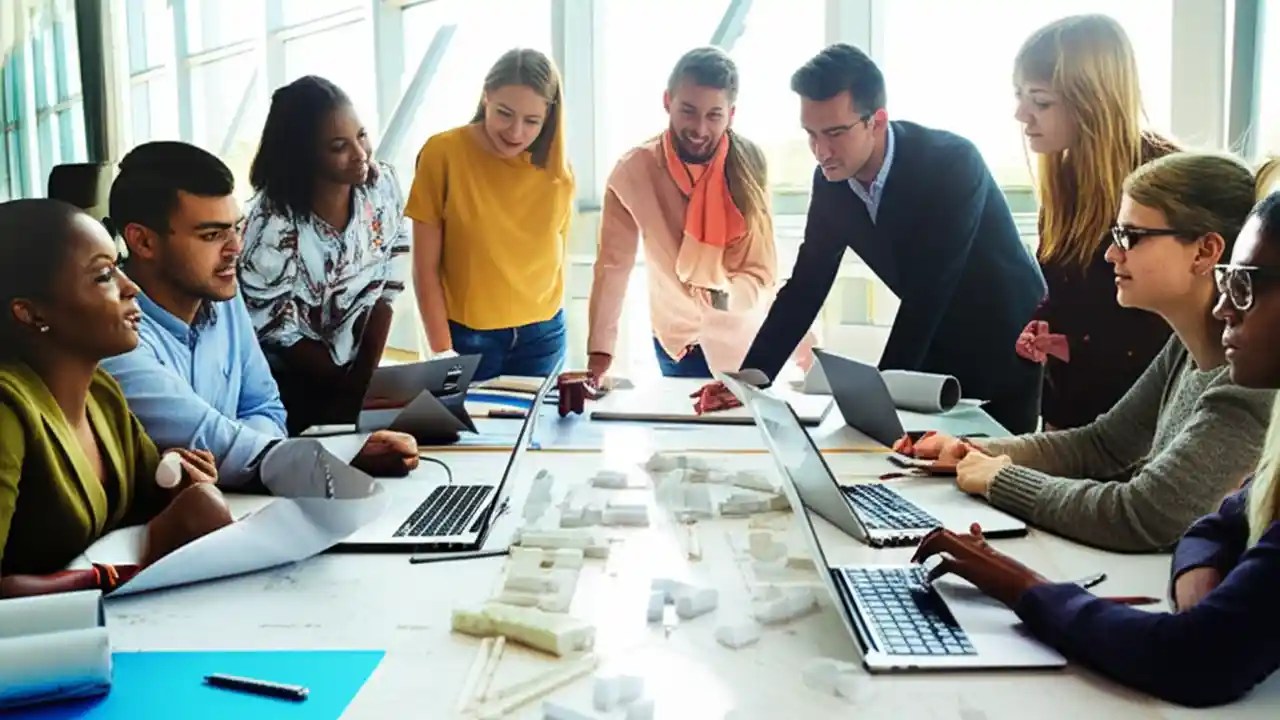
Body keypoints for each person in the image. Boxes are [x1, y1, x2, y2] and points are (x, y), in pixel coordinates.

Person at [912, 191, 1280, 708]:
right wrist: (1203, 580)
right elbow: (1214, 525)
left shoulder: (1244, 392)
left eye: (1244, 286)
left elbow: (1195, 660)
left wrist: (1020, 585)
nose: (1223, 307)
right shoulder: (1198, 360)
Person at [902, 153, 1273, 552]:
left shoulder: (1250, 384)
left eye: (1131, 237)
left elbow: (1140, 515)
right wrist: (976, 451)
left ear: (1204, 252)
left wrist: (998, 477)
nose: (1113, 254)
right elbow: (1101, 445)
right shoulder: (1182, 350)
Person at [694, 43, 1046, 434]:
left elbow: (929, 291)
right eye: (810, 134)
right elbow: (808, 284)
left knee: (991, 480)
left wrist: (876, 399)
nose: (820, 151)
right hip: (932, 345)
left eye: (835, 133)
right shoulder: (832, 181)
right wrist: (752, 378)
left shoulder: (951, 163)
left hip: (1006, 342)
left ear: (876, 121)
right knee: (910, 473)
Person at [99, 142, 417, 486]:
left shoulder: (224, 298)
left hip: (242, 505)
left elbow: (265, 408)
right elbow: (206, 437)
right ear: (143, 242)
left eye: (235, 228)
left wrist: (252, 453)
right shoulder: (113, 334)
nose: (236, 248)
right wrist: (338, 456)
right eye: (212, 235)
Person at [0, 199, 233, 598]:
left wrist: (181, 479)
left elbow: (154, 495)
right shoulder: (8, 411)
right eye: (104, 276)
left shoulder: (102, 396)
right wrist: (112, 577)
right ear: (30, 313)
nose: (132, 288)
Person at [587, 47, 812, 379]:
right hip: (676, 343)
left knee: (741, 432)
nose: (699, 129)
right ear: (668, 101)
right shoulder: (633, 171)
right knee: (681, 432)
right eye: (688, 111)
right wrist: (600, 352)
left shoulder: (750, 165)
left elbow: (763, 272)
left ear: (731, 114)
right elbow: (613, 267)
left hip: (743, 341)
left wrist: (726, 298)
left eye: (714, 116)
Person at [1013, 15, 1180, 431]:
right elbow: (1069, 291)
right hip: (1071, 418)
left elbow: (1169, 328)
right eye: (1020, 96)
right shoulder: (1064, 182)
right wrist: (1042, 327)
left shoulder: (1166, 179)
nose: (1021, 115)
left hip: (1140, 428)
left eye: (1041, 101)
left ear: (1091, 100)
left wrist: (1076, 347)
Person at [239, 76, 411, 435]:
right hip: (288, 387)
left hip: (358, 372)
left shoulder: (381, 188)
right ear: (303, 154)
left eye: (361, 135)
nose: (361, 154)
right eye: (338, 146)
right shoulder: (271, 223)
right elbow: (271, 326)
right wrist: (346, 390)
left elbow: (388, 286)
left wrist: (362, 379)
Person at [405, 48, 575, 381]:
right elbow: (424, 269)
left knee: (540, 433)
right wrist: (442, 353)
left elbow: (555, 256)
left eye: (532, 122)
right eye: (504, 113)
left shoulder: (558, 168)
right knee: (472, 435)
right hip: (467, 339)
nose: (515, 132)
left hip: (544, 335)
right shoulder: (443, 154)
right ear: (486, 97)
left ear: (548, 118)